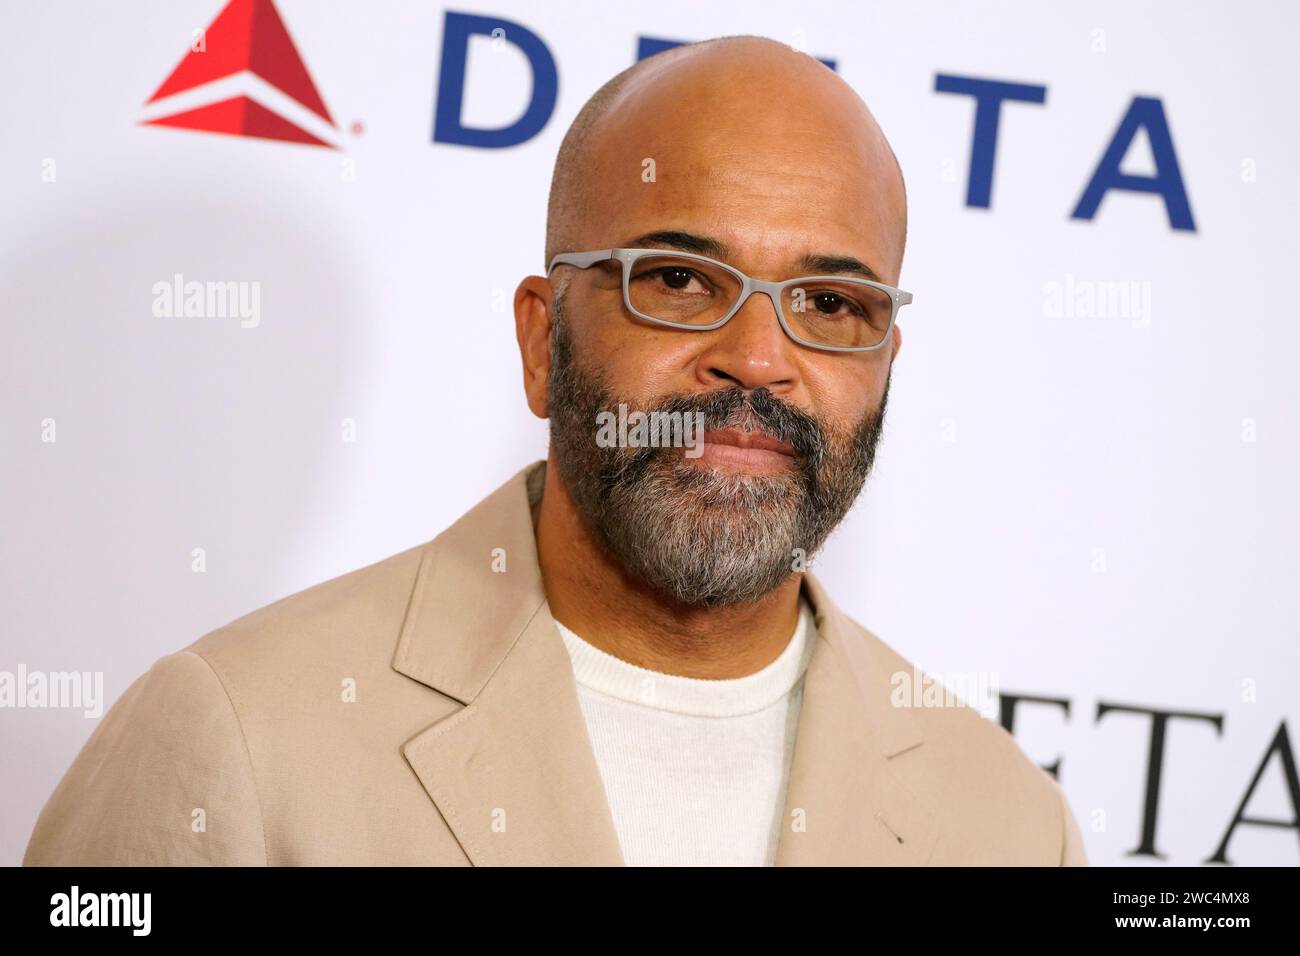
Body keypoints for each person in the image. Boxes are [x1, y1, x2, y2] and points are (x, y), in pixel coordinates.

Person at [24, 35, 1087, 866]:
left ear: (885, 360)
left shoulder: (1008, 824)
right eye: (677, 279)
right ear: (543, 340)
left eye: (828, 301)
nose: (759, 359)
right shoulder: (239, 735)